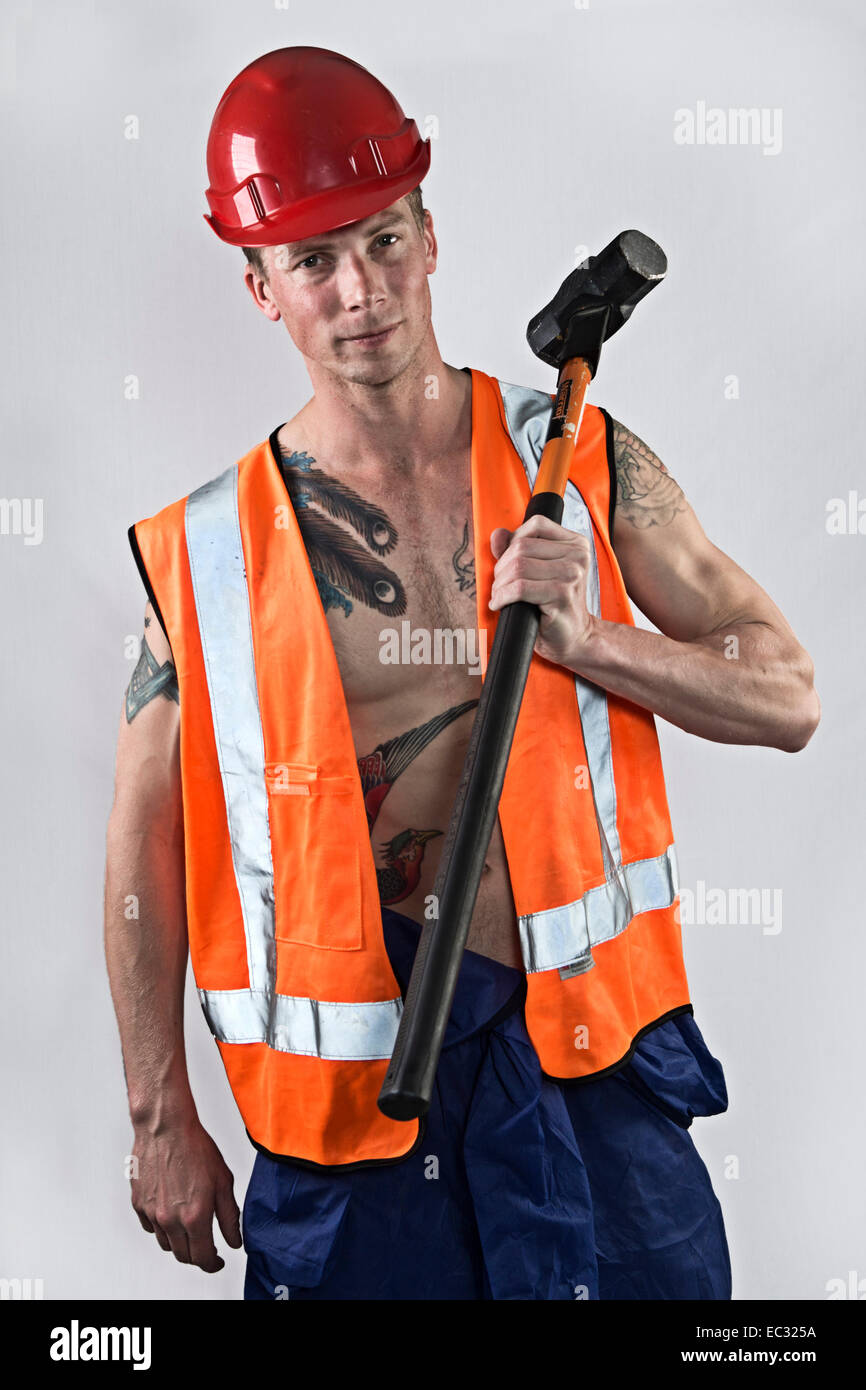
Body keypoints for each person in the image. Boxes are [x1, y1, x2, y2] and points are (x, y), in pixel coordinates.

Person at [104, 46, 820, 1301]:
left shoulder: (576, 458)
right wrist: (160, 1109)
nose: (360, 291)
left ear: (430, 237)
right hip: (360, 1117)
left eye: (381, 241)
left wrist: (593, 640)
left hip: (593, 1077)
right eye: (313, 259)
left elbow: (786, 693)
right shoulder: (207, 552)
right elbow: (141, 846)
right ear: (261, 287)